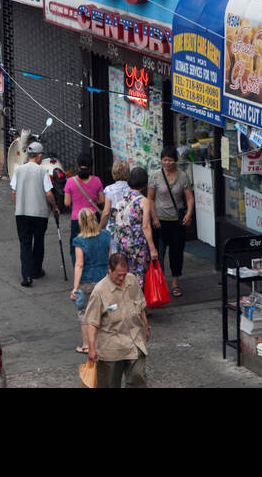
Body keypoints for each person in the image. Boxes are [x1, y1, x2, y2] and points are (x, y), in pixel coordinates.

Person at [84, 252, 151, 388]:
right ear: (110, 270)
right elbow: (92, 322)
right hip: (111, 348)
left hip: (134, 341)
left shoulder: (132, 281)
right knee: (109, 385)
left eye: (124, 274)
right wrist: (91, 348)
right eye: (118, 275)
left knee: (138, 378)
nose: (122, 278)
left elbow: (141, 306)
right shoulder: (99, 291)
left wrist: (146, 326)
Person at [148, 149, 195, 297]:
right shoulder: (155, 176)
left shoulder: (183, 177)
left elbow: (189, 198)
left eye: (170, 160)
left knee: (176, 252)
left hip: (177, 221)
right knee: (158, 253)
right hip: (160, 221)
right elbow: (150, 199)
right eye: (164, 160)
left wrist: (189, 213)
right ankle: (159, 282)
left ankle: (175, 282)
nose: (167, 163)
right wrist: (154, 217)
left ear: (175, 160)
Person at [69, 208, 111, 355]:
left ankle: (87, 345)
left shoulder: (79, 241)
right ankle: (105, 341)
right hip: (104, 278)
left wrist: (75, 287)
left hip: (87, 280)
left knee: (84, 312)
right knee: (106, 310)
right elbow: (110, 257)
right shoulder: (106, 235)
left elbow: (79, 264)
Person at [12, 140, 54, 287]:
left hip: (22, 212)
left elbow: (14, 191)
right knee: (39, 241)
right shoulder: (43, 171)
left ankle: (26, 275)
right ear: (39, 155)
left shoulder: (18, 170)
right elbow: (48, 193)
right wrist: (55, 207)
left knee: (25, 243)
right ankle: (36, 270)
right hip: (40, 213)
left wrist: (17, 205)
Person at [109, 166, 158, 286]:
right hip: (137, 245)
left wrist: (113, 244)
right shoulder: (143, 201)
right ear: (144, 183)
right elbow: (145, 226)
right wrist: (152, 248)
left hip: (122, 243)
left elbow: (113, 220)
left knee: (125, 273)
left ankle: (126, 300)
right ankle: (136, 302)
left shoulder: (121, 197)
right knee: (138, 276)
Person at [63, 153, 106, 244]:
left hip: (77, 218)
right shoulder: (97, 180)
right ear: (91, 167)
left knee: (77, 246)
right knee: (93, 245)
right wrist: (94, 200)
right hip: (93, 217)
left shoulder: (70, 181)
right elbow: (102, 200)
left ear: (78, 166)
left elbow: (67, 202)